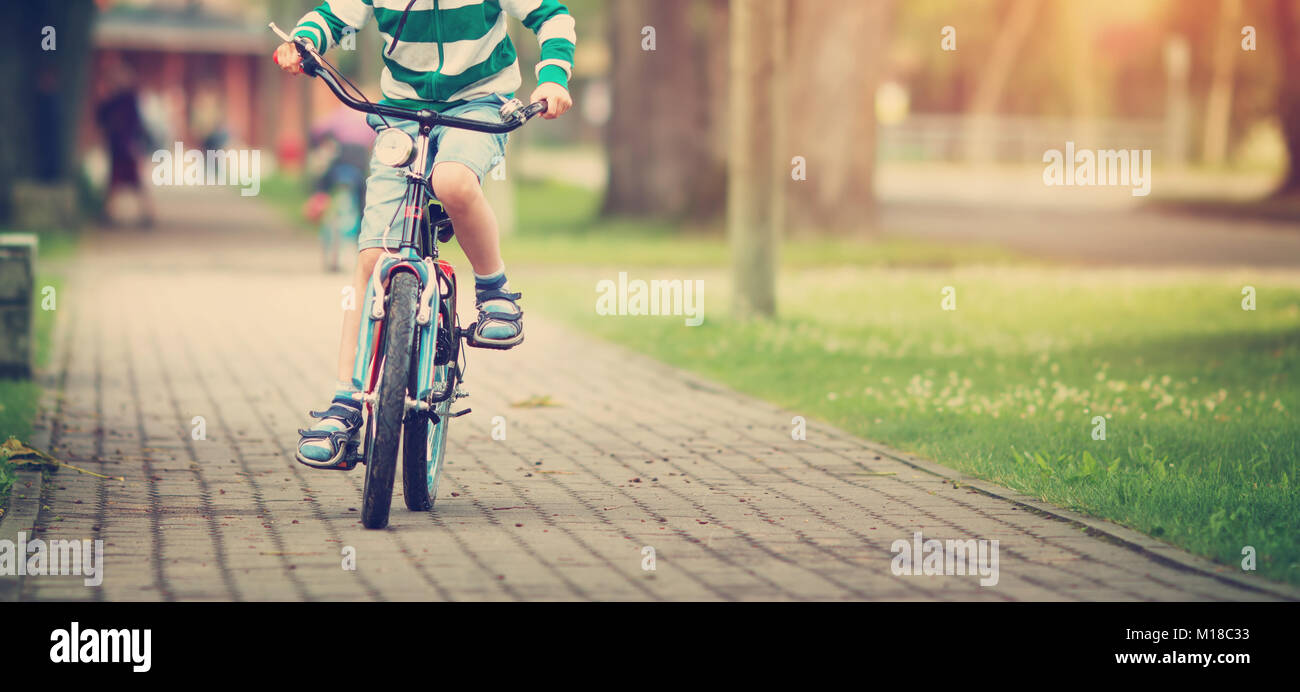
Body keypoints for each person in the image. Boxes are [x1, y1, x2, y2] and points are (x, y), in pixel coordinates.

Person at [273, 0, 575, 468]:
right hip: (401, 112)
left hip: (479, 105)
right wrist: (304, 41)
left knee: (452, 182)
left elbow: (551, 16)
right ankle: (346, 403)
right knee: (373, 260)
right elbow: (334, 15)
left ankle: (495, 291)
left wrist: (554, 77)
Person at [96, 61, 155, 227]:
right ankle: (108, 212)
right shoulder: (112, 100)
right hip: (116, 146)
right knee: (114, 182)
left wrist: (136, 145)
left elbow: (135, 124)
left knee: (135, 182)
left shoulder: (129, 99)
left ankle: (148, 214)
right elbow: (101, 117)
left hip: (127, 146)